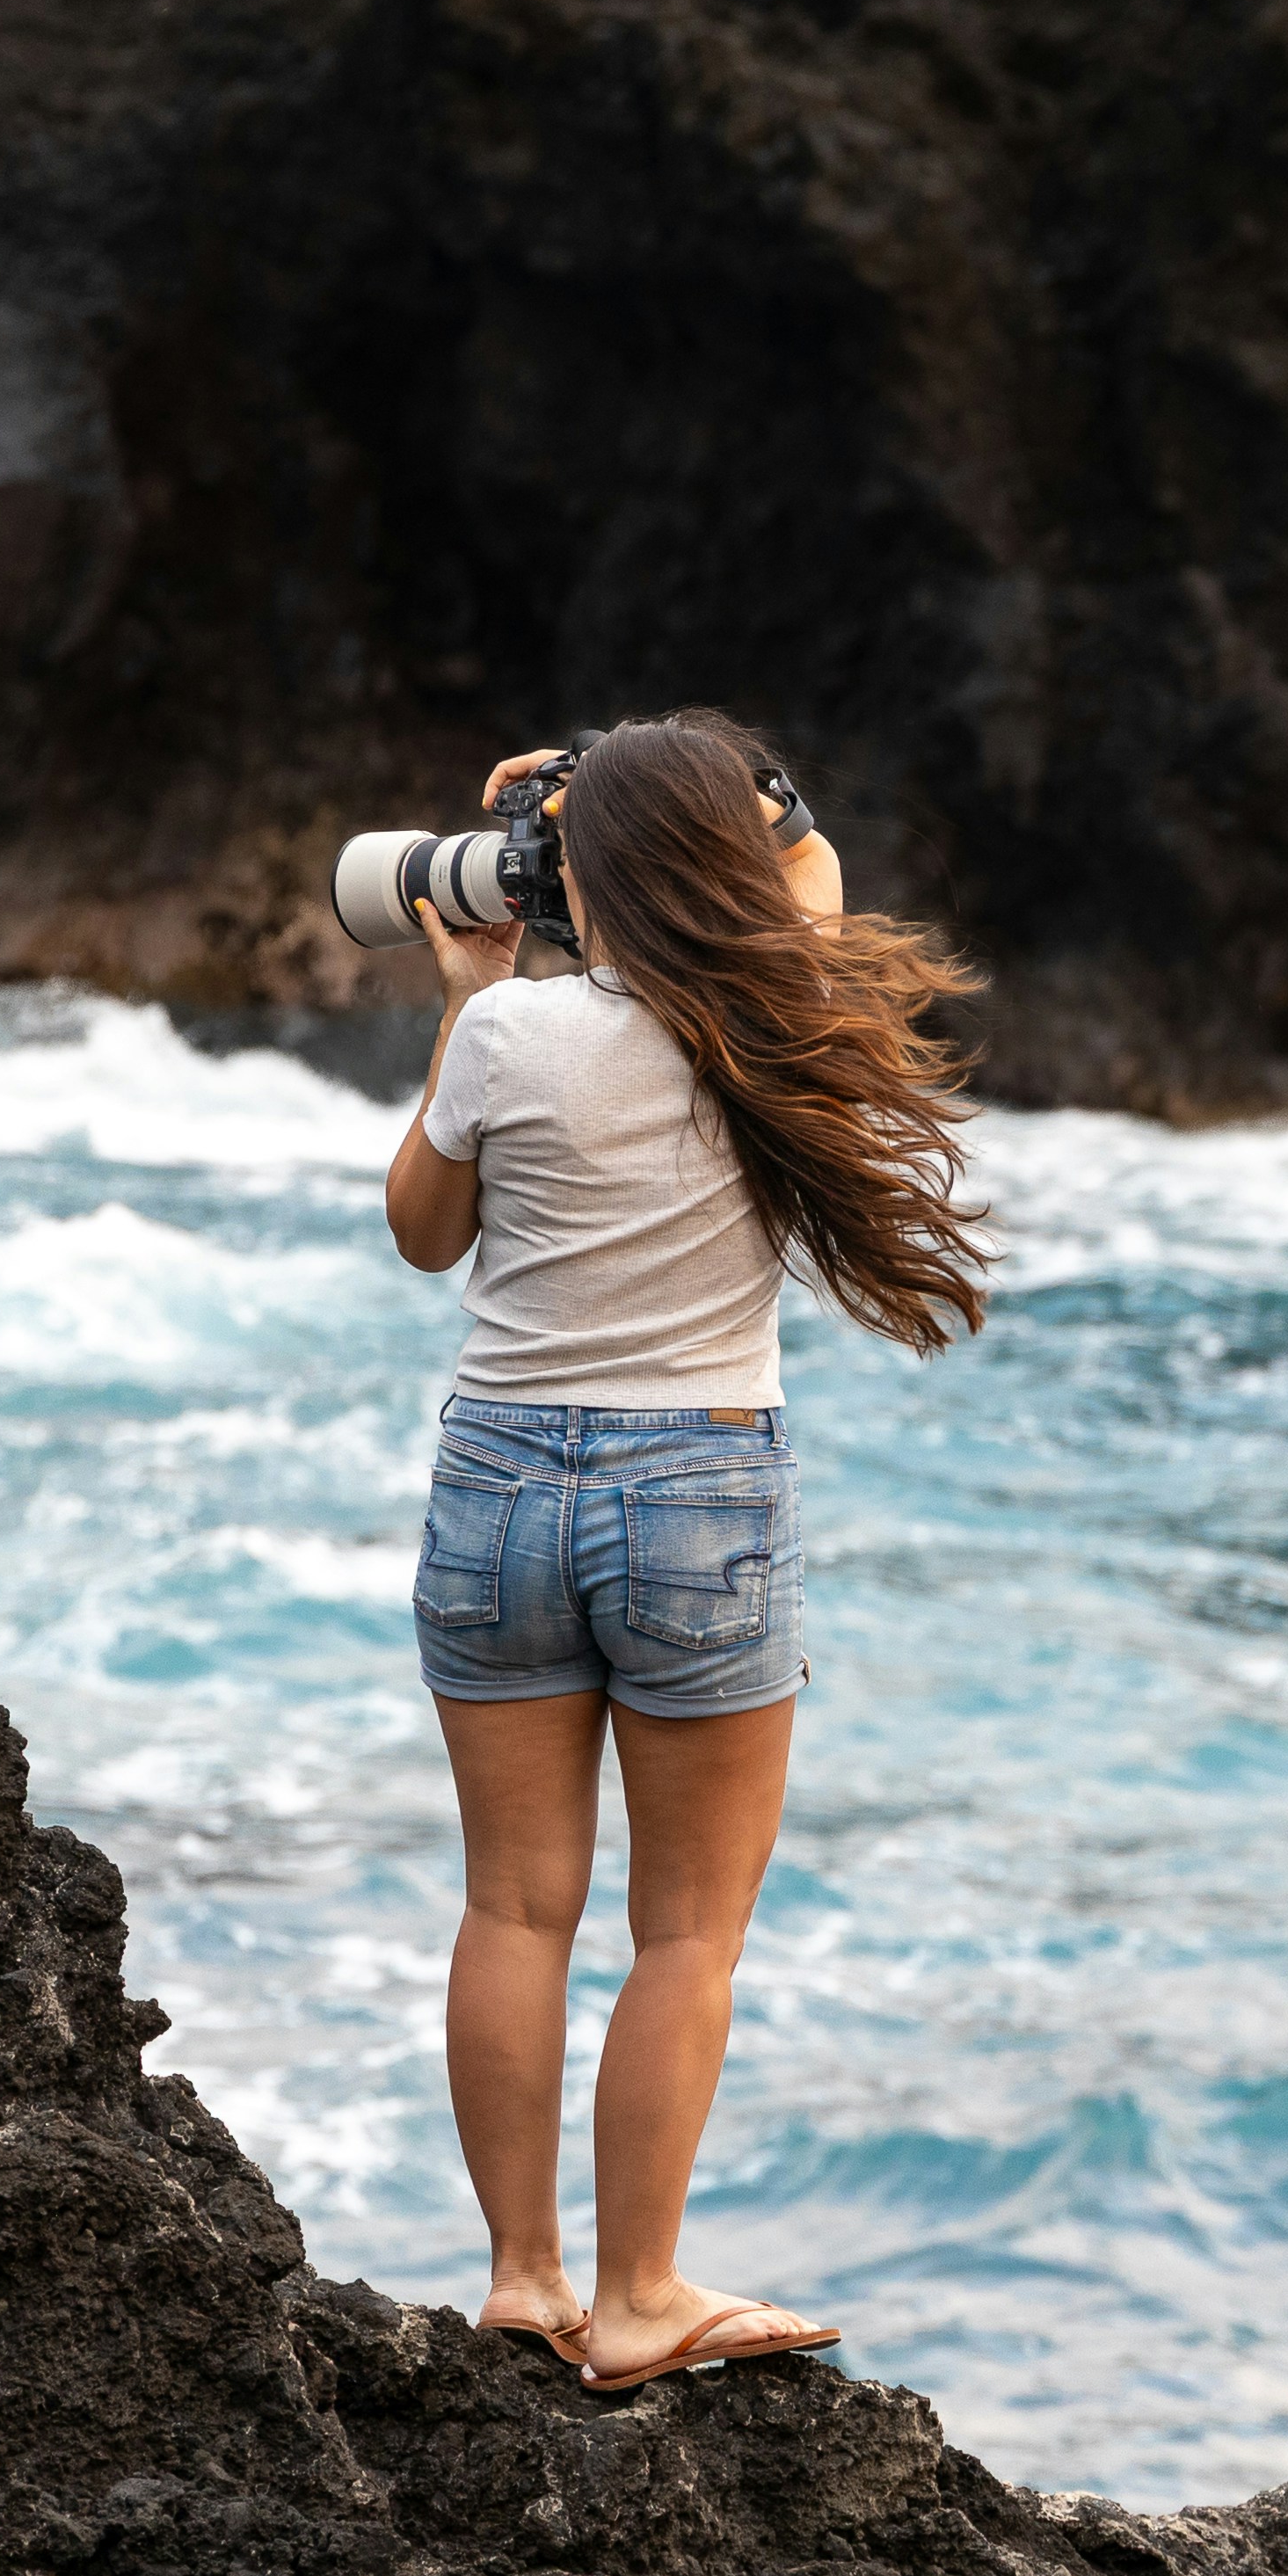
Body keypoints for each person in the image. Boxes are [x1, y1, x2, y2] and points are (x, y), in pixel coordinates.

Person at [382, 713, 991, 2390]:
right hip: (699, 1491)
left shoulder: (507, 1031)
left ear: (568, 876)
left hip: (498, 1478)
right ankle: (639, 2295)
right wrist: (723, 780)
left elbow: (421, 1236)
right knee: (686, 1937)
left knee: (513, 1906)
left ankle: (523, 2276)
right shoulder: (772, 1012)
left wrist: (469, 1007)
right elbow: (812, 875)